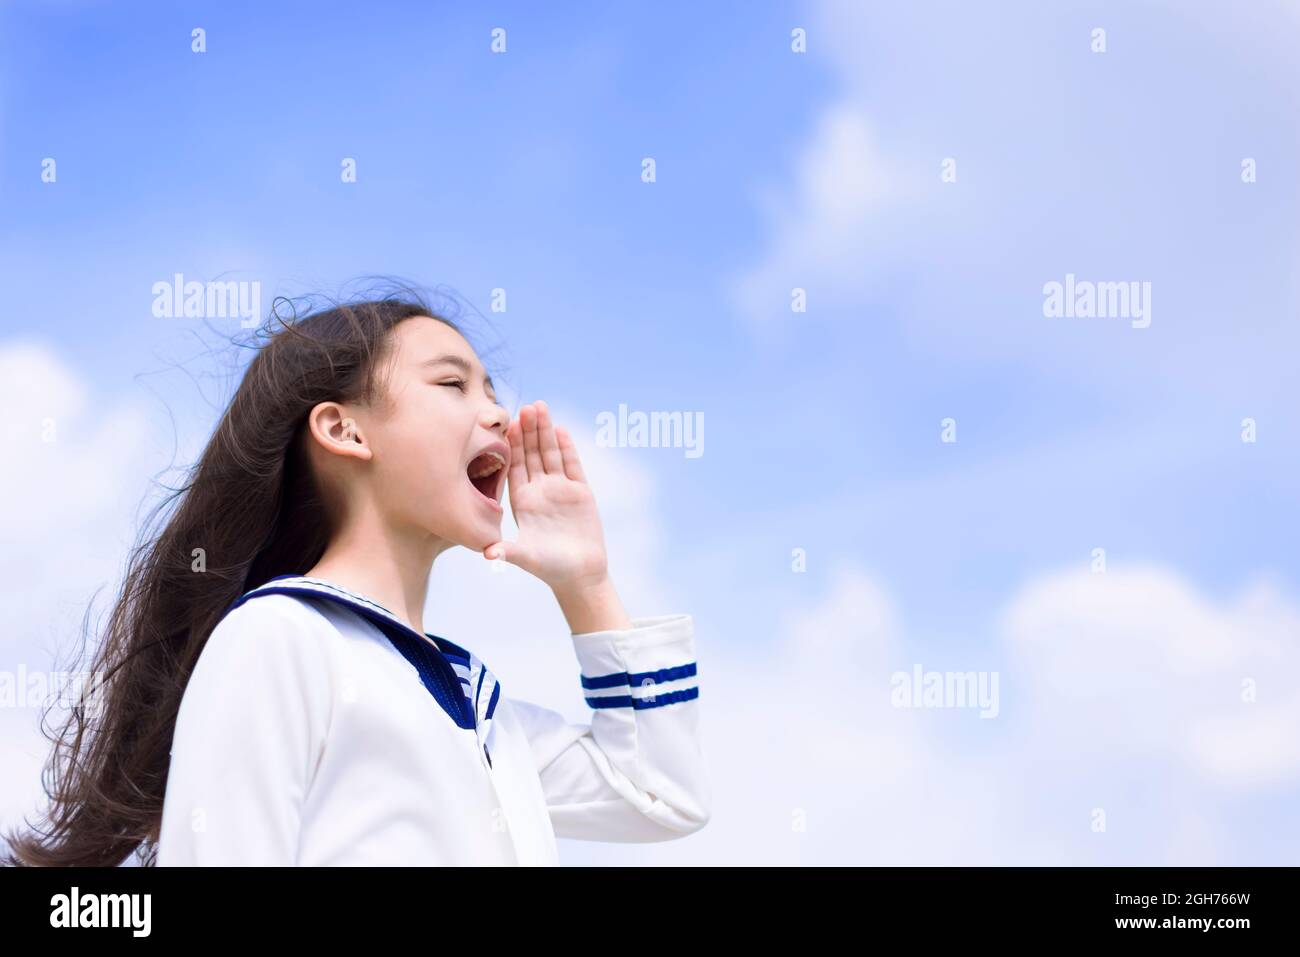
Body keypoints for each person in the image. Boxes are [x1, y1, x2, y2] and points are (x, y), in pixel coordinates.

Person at [3, 292, 710, 866]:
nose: (496, 411)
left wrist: (585, 583)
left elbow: (660, 793)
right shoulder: (277, 639)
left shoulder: (477, 704)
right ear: (344, 431)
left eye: (491, 388)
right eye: (452, 384)